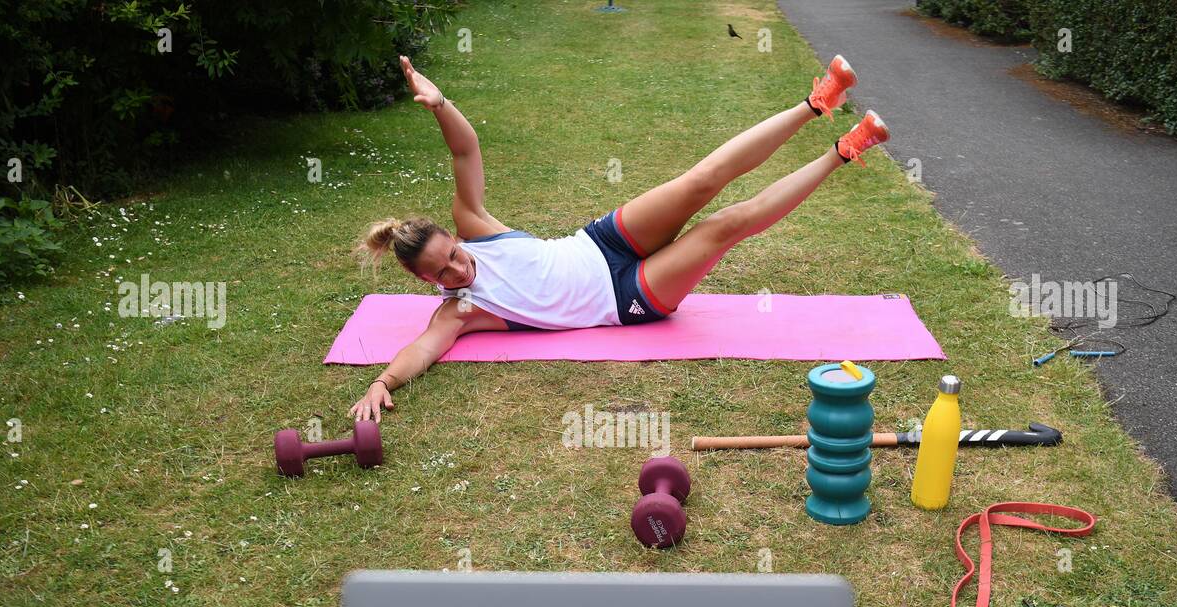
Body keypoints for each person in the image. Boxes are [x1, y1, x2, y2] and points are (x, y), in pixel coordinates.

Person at [352, 53, 889, 421]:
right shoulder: (457, 314)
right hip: (626, 297)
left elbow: (466, 152)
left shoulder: (474, 225)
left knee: (699, 182)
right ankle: (843, 151)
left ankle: (817, 102)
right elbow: (420, 352)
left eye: (453, 255)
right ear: (422, 280)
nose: (457, 271)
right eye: (441, 274)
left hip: (598, 243)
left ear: (453, 235)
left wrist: (442, 104)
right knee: (725, 225)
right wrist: (383, 382)